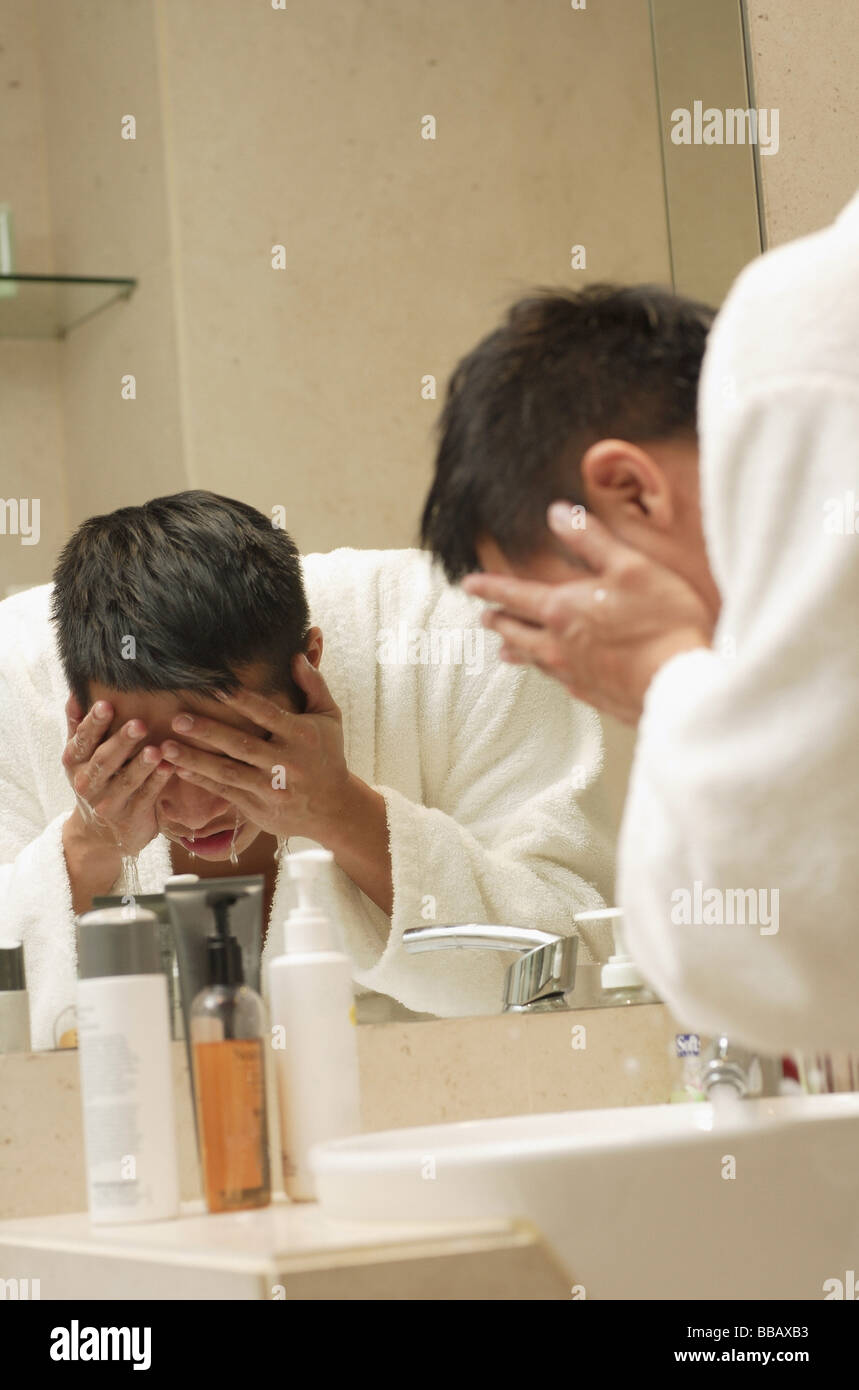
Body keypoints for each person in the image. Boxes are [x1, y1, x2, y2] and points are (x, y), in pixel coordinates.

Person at [422, 200, 859, 1054]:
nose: (587, 670)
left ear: (629, 490)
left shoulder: (799, 343)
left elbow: (795, 959)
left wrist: (663, 670)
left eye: (577, 620)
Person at [0, 490, 620, 1050]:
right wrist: (87, 846)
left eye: (230, 749)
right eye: (148, 761)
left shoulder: (459, 640)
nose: (194, 812)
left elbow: (582, 968)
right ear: (78, 712)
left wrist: (340, 811)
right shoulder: (12, 685)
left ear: (309, 665)